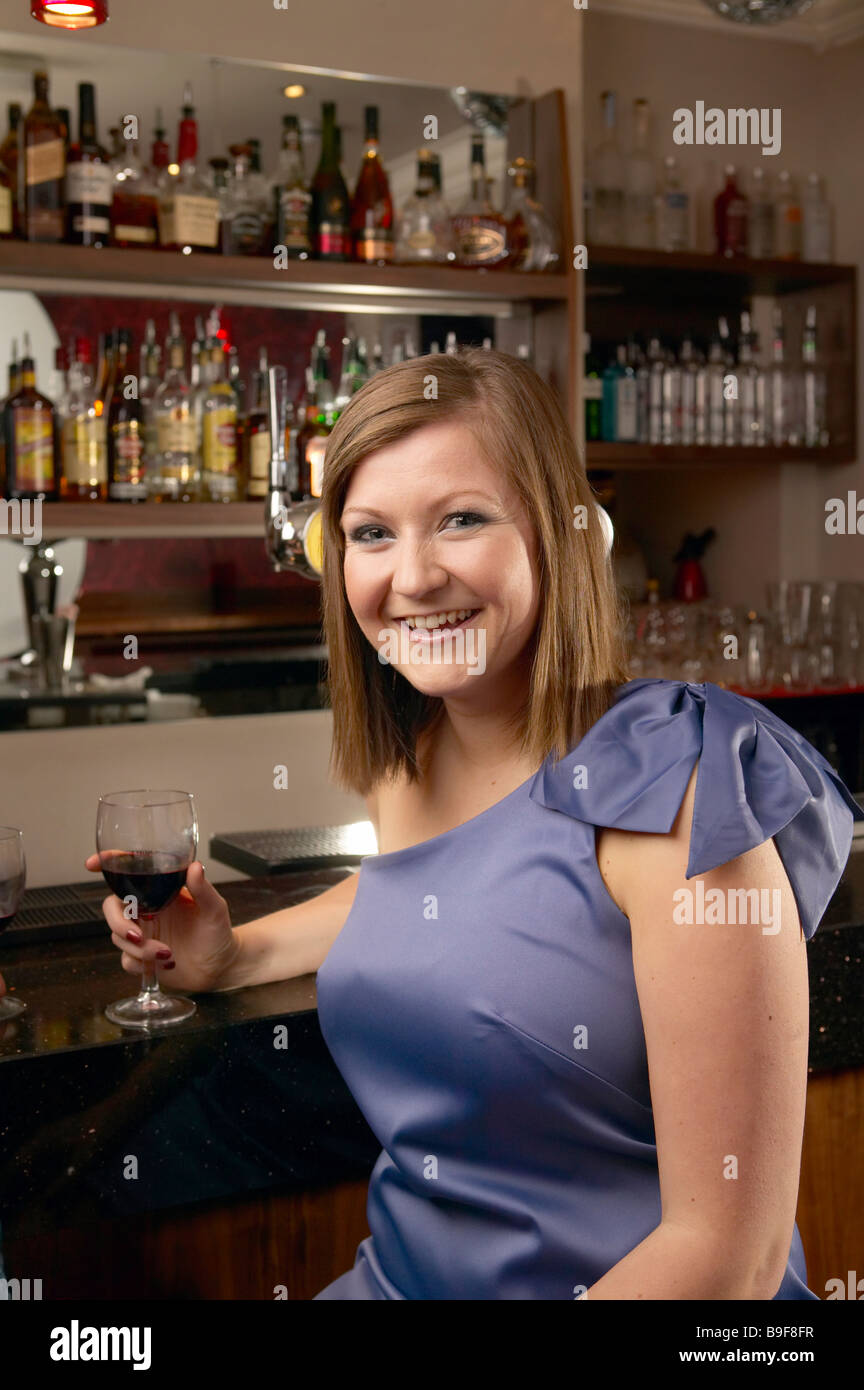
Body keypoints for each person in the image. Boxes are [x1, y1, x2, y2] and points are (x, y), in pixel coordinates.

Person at [90, 349, 862, 1300]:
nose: (412, 577)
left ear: (558, 533)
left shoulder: (682, 782)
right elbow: (449, 898)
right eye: (370, 534)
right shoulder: (411, 761)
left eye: (461, 519)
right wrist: (232, 955)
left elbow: (726, 1261)